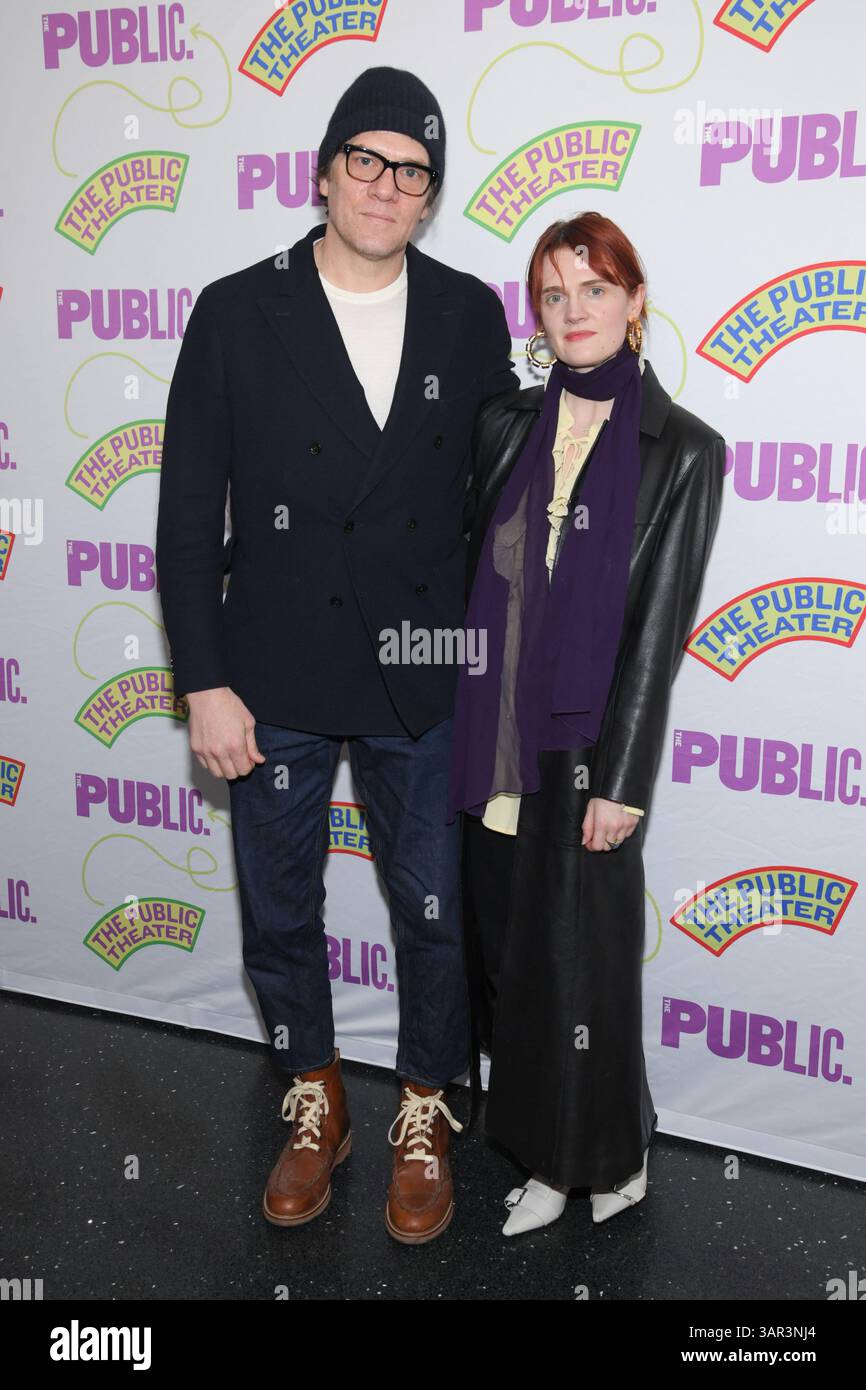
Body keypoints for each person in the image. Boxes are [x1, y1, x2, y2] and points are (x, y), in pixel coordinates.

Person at [155, 65, 520, 1244]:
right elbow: (182, 512)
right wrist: (203, 681)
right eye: (364, 160)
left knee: (429, 908)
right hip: (269, 672)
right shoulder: (233, 306)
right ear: (322, 173)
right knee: (277, 908)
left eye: (410, 170)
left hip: (420, 666)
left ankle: (421, 1104)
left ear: (428, 197)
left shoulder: (470, 313)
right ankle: (312, 1097)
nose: (384, 185)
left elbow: (500, 499)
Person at [447, 211, 725, 1234]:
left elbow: (656, 627)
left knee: (585, 960)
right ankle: (569, 1149)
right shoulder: (504, 425)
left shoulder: (685, 450)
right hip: (499, 731)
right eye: (554, 294)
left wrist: (622, 780)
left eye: (593, 289)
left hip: (590, 742)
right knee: (517, 958)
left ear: (633, 302)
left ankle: (592, 1158)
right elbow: (471, 577)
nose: (573, 311)